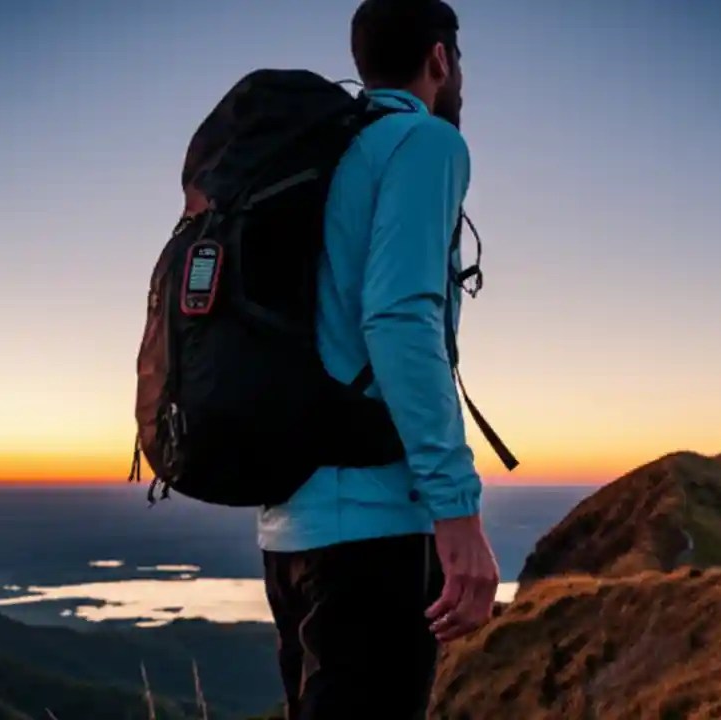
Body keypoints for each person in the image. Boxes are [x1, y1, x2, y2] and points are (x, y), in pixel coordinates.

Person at [259, 1, 499, 717]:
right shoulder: (423, 143)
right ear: (440, 59)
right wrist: (457, 509)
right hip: (374, 528)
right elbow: (399, 319)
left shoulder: (327, 153)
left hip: (291, 521)